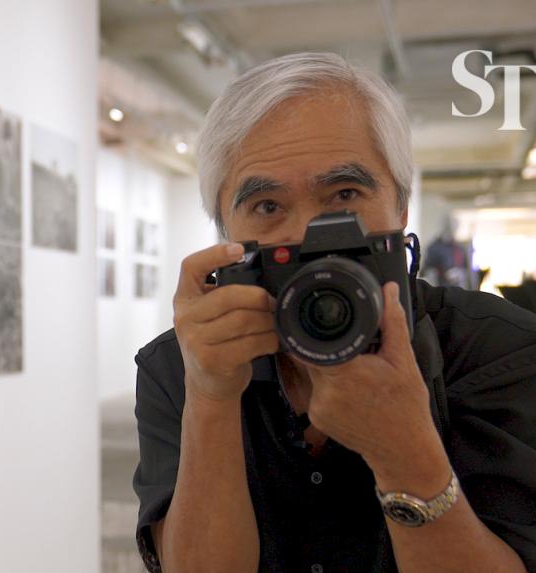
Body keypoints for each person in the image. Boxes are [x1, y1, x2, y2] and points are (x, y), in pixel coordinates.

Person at [132, 52, 536, 573]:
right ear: (226, 233)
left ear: (401, 210)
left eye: (344, 194)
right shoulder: (179, 366)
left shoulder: (497, 349)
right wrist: (210, 396)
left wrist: (403, 450)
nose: (307, 235)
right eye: (268, 207)